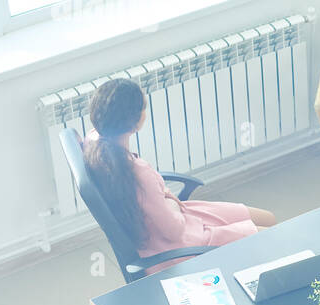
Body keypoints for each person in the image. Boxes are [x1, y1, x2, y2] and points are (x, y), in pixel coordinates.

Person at [82, 78, 275, 269]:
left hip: (176, 218)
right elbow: (173, 232)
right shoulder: (139, 174)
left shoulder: (93, 141)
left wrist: (169, 203)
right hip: (179, 244)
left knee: (268, 219)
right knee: (271, 235)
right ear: (135, 124)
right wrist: (171, 202)